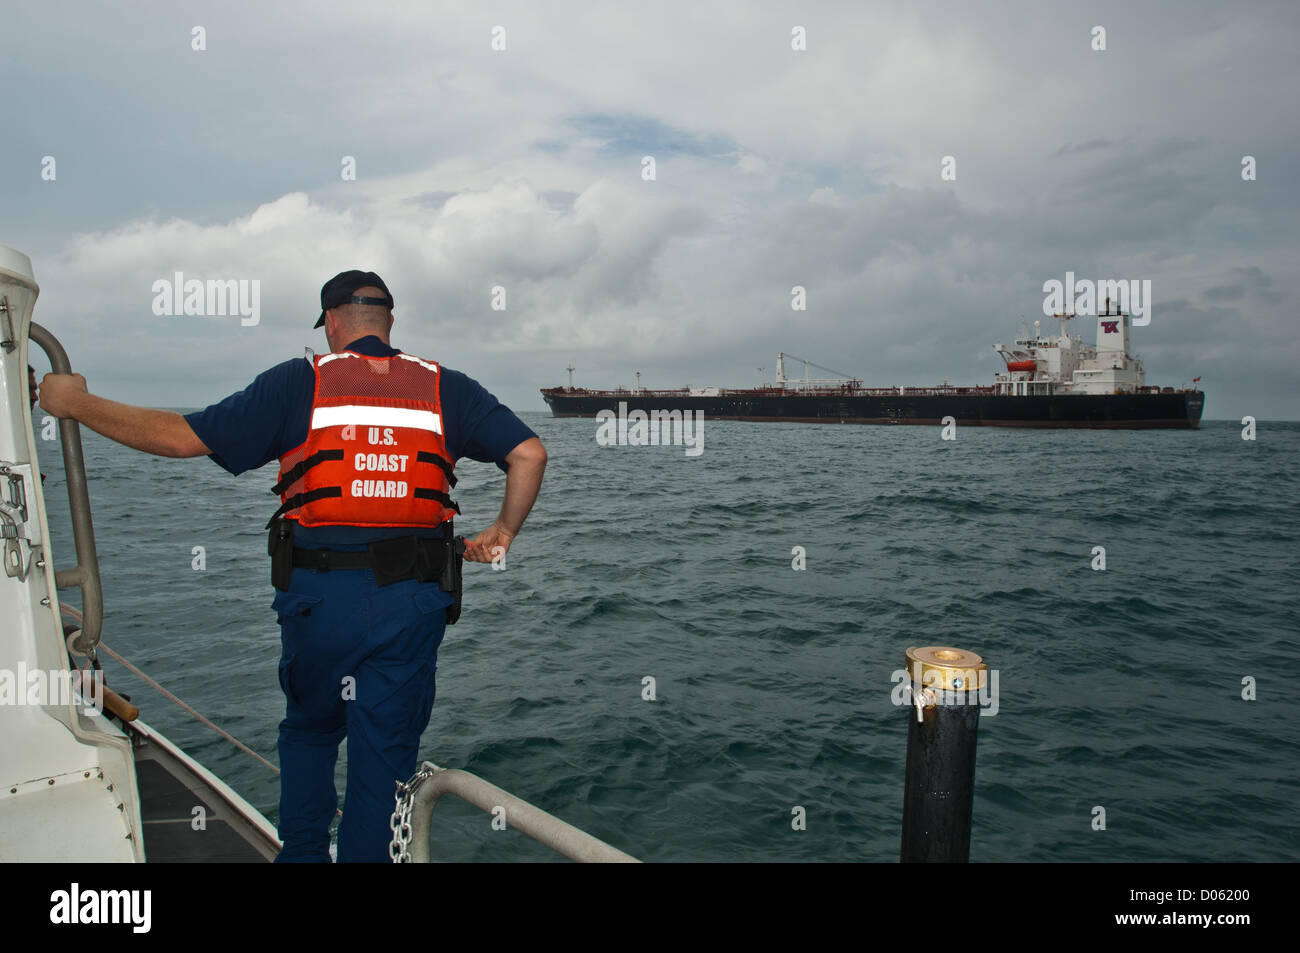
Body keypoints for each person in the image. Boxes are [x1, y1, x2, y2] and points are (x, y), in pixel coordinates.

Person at [39, 269, 547, 862]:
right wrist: (502, 531)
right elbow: (529, 453)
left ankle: (303, 854)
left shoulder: (297, 382)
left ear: (332, 323)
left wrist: (75, 402)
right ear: (389, 321)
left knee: (309, 730)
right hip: (411, 601)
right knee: (383, 757)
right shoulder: (447, 388)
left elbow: (179, 438)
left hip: (319, 598)